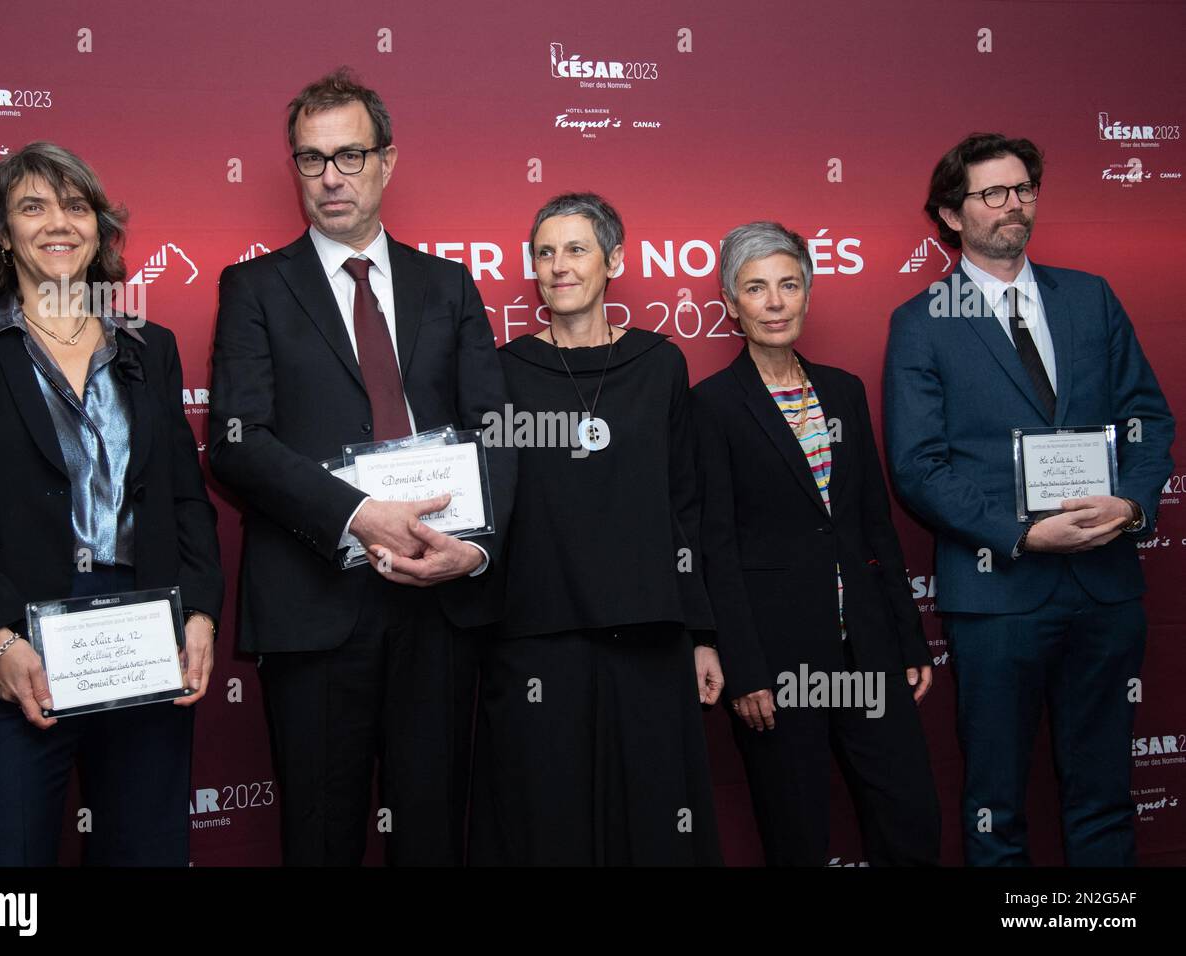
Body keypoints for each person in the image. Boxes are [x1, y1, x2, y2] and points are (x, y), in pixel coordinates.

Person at [208, 67, 514, 866]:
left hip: (440, 603)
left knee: (435, 832)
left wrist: (474, 551)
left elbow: (499, 430)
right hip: (316, 602)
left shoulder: (447, 286)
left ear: (388, 161)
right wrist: (356, 513)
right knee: (319, 835)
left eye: (349, 155)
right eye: (312, 159)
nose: (331, 177)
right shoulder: (253, 288)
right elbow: (237, 439)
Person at [0, 141, 223, 866]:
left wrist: (199, 614)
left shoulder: (150, 345)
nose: (58, 223)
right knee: (4, 872)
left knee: (145, 852)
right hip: (17, 639)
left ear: (99, 228)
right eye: (33, 206)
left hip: (146, 637)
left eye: (76, 206)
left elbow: (183, 495)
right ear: (1, 231)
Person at [884, 132, 1175, 865]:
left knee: (1105, 795)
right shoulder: (921, 321)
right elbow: (919, 466)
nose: (1013, 205)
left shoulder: (1091, 297)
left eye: (1024, 189)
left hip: (1105, 590)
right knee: (996, 805)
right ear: (951, 214)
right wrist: (1020, 535)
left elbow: (1148, 416)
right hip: (998, 597)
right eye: (992, 193)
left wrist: (1134, 506)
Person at [469, 192, 723, 866]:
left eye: (575, 249)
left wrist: (700, 633)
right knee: (547, 828)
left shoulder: (660, 363)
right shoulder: (502, 370)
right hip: (536, 640)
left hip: (646, 637)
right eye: (545, 252)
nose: (558, 266)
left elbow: (684, 504)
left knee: (652, 829)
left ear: (614, 259)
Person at [692, 221, 940, 866]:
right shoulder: (711, 406)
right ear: (730, 303)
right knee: (796, 832)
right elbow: (714, 545)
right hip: (777, 663)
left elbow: (871, 524)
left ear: (808, 293)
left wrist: (906, 639)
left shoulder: (843, 391)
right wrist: (744, 668)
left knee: (908, 818)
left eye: (789, 285)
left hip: (868, 650)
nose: (775, 303)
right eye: (756, 288)